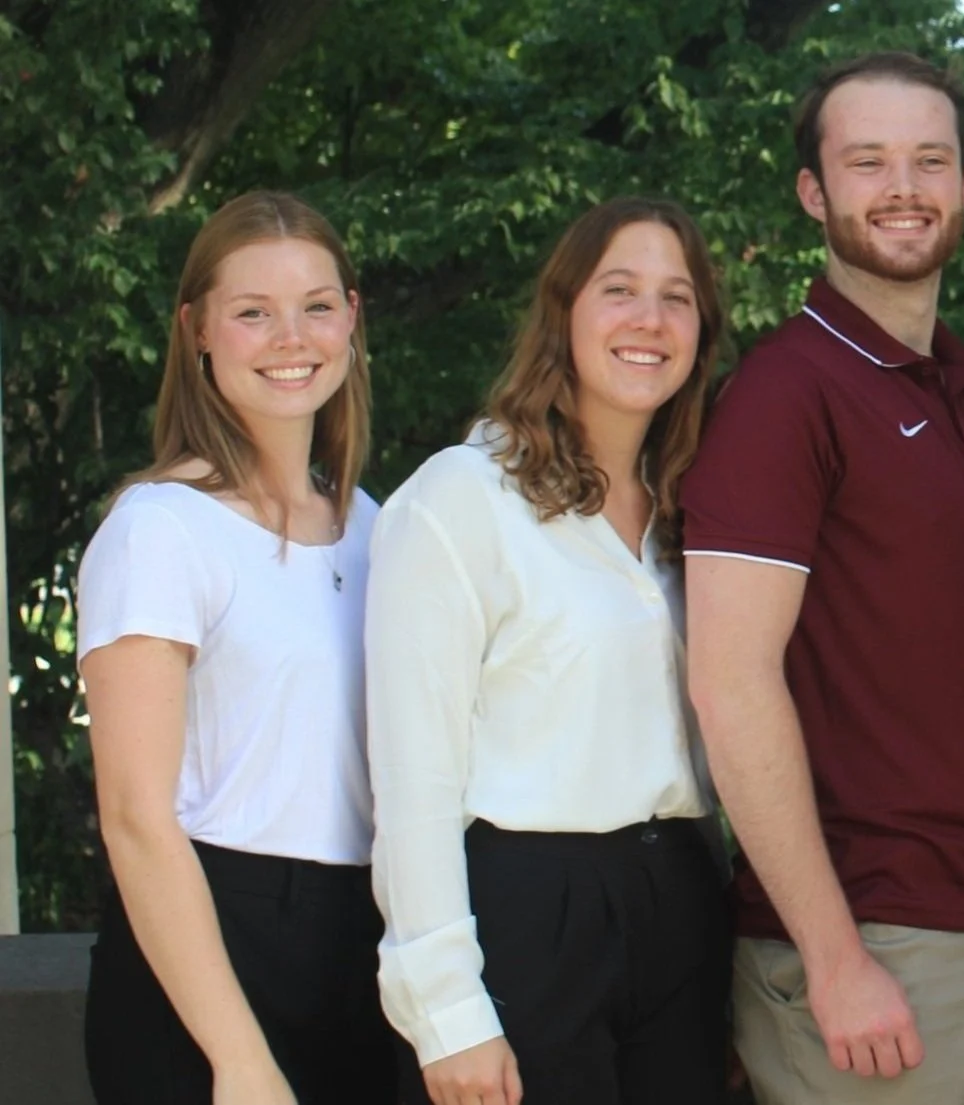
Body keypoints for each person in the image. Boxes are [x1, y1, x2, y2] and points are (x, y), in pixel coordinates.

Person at [680, 51, 964, 1105]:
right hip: (865, 947)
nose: (903, 187)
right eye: (868, 162)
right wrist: (833, 956)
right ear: (814, 191)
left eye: (930, 160)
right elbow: (730, 684)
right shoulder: (781, 396)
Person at [366, 197, 732, 1105]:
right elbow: (414, 777)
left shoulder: (700, 513)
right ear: (562, 311)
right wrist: (447, 1009)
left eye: (676, 297)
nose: (649, 319)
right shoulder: (461, 497)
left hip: (683, 898)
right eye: (619, 290)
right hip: (528, 916)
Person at [77, 190, 400, 1103]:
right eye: (253, 313)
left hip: (361, 949)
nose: (291, 338)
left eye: (316, 307)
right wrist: (239, 1056)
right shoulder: (160, 531)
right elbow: (137, 819)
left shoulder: (377, 527)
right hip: (209, 953)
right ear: (198, 331)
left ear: (351, 319)